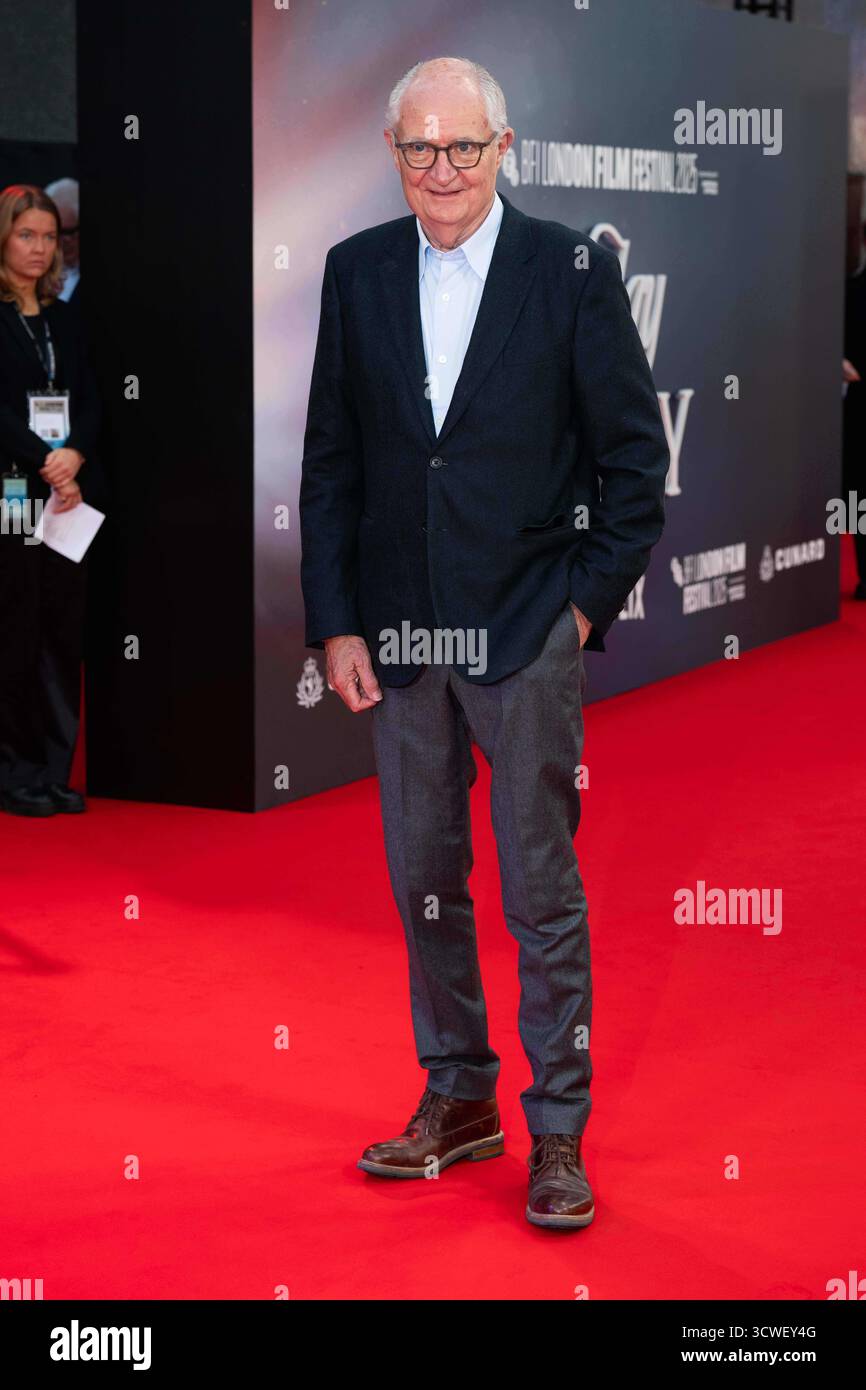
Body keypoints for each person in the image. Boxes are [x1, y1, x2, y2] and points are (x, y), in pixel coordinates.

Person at [299, 58, 668, 1229]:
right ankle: (458, 1098)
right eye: (419, 149)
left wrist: (577, 611)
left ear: (504, 147)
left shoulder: (569, 268)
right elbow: (331, 465)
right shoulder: (355, 271)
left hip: (523, 633)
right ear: (394, 155)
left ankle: (557, 1129)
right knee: (421, 884)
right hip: (399, 637)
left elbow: (631, 464)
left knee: (537, 890)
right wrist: (338, 620)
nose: (441, 172)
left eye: (463, 148)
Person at [0, 184, 103, 816]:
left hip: (68, 493)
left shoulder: (65, 316)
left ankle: (54, 768)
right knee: (16, 623)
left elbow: (90, 396)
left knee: (63, 628)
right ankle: (16, 773)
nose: (40, 248)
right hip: (13, 490)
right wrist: (46, 461)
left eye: (48, 236)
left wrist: (75, 456)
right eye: (25, 235)